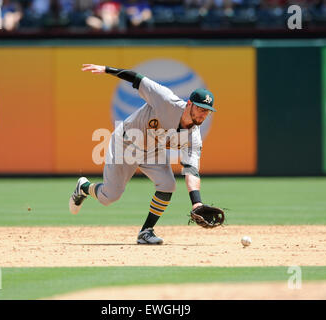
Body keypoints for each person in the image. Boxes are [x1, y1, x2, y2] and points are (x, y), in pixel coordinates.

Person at [69, 63, 217, 245]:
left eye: (207, 111)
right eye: (201, 108)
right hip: (126, 143)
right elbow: (138, 79)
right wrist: (107, 70)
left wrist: (197, 203)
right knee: (109, 197)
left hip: (153, 151)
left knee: (168, 185)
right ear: (189, 104)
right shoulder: (166, 100)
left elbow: (191, 171)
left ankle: (146, 232)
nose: (203, 114)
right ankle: (84, 187)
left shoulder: (194, 137)